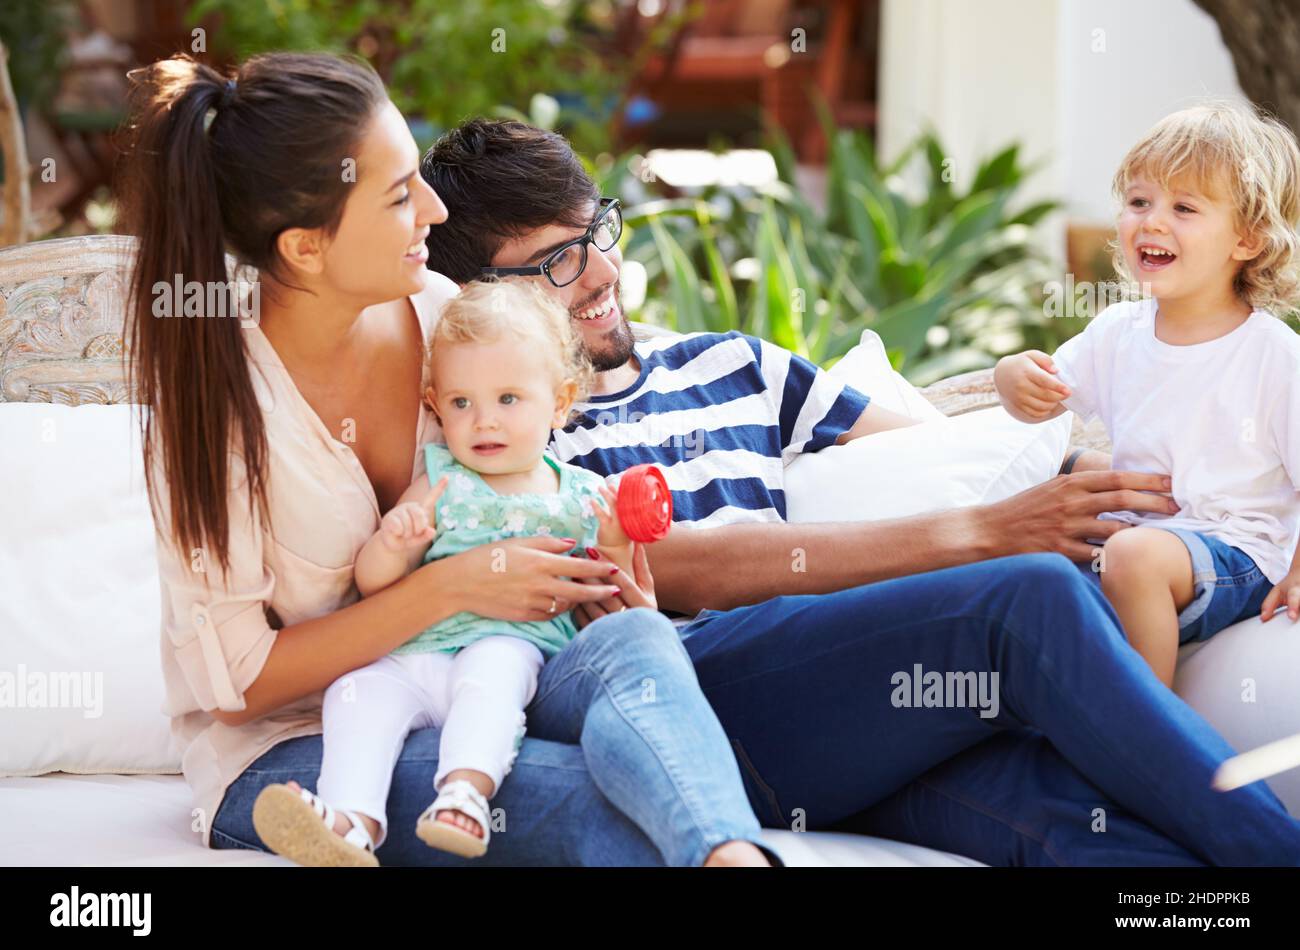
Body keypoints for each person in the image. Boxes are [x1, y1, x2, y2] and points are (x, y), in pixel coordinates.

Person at [418, 117, 1300, 865]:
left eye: (597, 233)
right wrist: (985, 535)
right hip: (695, 696)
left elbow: (956, 446)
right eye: (557, 262)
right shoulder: (504, 422)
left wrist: (1166, 511)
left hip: (848, 716)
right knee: (1024, 596)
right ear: (481, 295)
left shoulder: (737, 364)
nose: (602, 273)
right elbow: (683, 568)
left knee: (1085, 826)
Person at [123, 52, 770, 867]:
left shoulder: (439, 314)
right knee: (612, 806)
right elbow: (239, 685)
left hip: (490, 674)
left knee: (643, 650)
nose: (432, 207)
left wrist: (607, 576)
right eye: (398, 195)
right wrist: (449, 587)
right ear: (305, 247)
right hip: (303, 746)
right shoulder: (214, 413)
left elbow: (533, 496)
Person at [250, 278, 775, 865]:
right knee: (354, 693)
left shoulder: (582, 495)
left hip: (509, 648)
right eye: (460, 403)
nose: (483, 423)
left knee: (492, 681)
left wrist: (614, 545)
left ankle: (465, 795)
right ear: (434, 405)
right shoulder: (441, 478)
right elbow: (373, 585)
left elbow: (608, 594)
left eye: (507, 399)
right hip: (415, 656)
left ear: (558, 401)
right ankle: (349, 820)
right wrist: (395, 544)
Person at [997, 102, 1300, 688]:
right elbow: (1044, 395)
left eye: (1184, 208)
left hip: (1235, 550)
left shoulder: (1273, 354)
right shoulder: (1118, 332)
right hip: (1130, 541)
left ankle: (1145, 731)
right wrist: (1014, 378)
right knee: (1029, 565)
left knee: (1136, 556)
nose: (1153, 221)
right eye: (1140, 202)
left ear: (1247, 239)